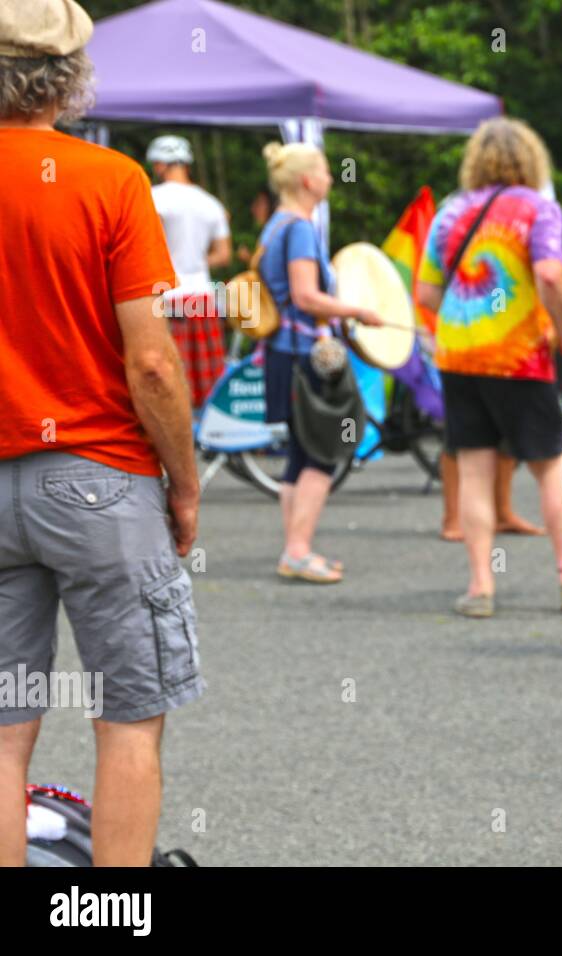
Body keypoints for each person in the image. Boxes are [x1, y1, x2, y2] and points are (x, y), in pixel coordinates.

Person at [0, 0, 203, 866]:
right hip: (101, 477)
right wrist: (184, 481)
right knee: (128, 714)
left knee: (5, 726)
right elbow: (151, 363)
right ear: (69, 76)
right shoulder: (109, 180)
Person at [415, 118, 562, 618]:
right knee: (550, 465)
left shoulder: (449, 214)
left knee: (474, 469)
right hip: (518, 358)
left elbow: (425, 293)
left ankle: (481, 586)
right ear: (531, 160)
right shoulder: (539, 209)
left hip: (460, 356)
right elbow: (550, 274)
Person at [257, 142, 382, 585]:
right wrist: (358, 311)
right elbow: (306, 295)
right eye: (327, 172)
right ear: (308, 180)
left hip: (281, 353)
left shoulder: (275, 225)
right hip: (303, 356)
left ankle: (295, 548)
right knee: (322, 453)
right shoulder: (302, 228)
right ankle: (297, 551)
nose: (331, 179)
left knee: (298, 455)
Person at [147, 134, 232, 408]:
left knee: (170, 377)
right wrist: (194, 261)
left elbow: (148, 247)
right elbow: (223, 254)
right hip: (203, 297)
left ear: (161, 164)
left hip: (167, 297)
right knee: (205, 377)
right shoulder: (211, 203)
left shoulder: (154, 198)